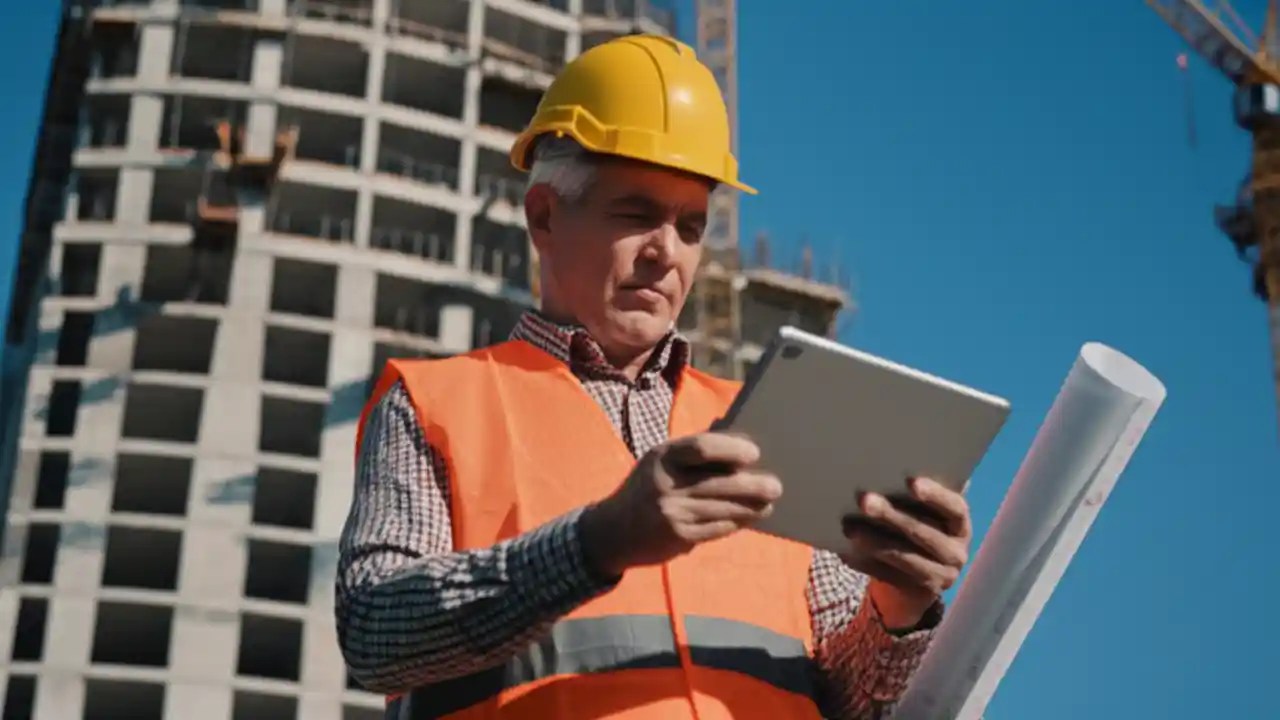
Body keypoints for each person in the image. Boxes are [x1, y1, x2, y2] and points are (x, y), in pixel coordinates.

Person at [337, 34, 973, 720]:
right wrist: (596, 543)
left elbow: (850, 698)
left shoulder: (768, 427)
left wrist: (901, 609)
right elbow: (376, 636)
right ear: (544, 216)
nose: (665, 252)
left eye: (692, 226)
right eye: (636, 214)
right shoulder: (438, 403)